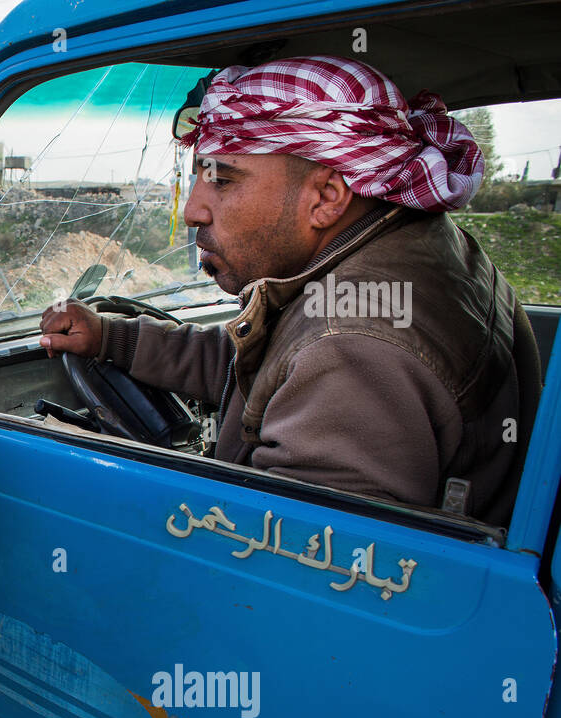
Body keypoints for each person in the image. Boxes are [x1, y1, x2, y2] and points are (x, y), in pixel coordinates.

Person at [39, 56, 540, 526]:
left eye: (223, 180)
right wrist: (113, 338)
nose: (193, 210)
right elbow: (262, 366)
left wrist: (98, 480)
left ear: (326, 197)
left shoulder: (350, 345)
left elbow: (287, 568)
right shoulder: (408, 249)